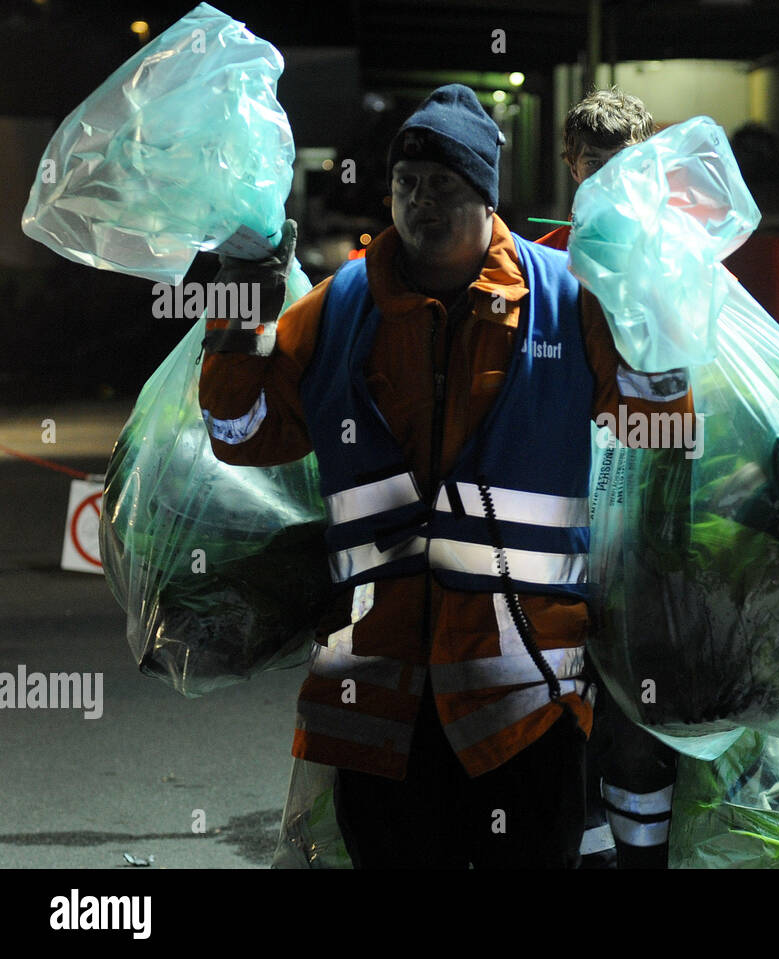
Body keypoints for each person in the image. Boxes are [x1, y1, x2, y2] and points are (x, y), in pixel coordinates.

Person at [197, 84, 693, 868]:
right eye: (408, 184)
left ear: (487, 200)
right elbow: (243, 434)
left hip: (524, 699)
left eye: (446, 187)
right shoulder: (335, 310)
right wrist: (233, 304)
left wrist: (651, 287)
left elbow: (659, 421)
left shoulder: (566, 299)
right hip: (376, 697)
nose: (422, 203)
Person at [537, 88, 680, 870]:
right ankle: (587, 845)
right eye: (593, 162)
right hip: (557, 515)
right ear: (570, 164)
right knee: (564, 696)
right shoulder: (546, 261)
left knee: (635, 703)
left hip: (644, 516)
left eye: (623, 164)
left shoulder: (677, 258)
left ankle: (643, 855)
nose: (606, 178)